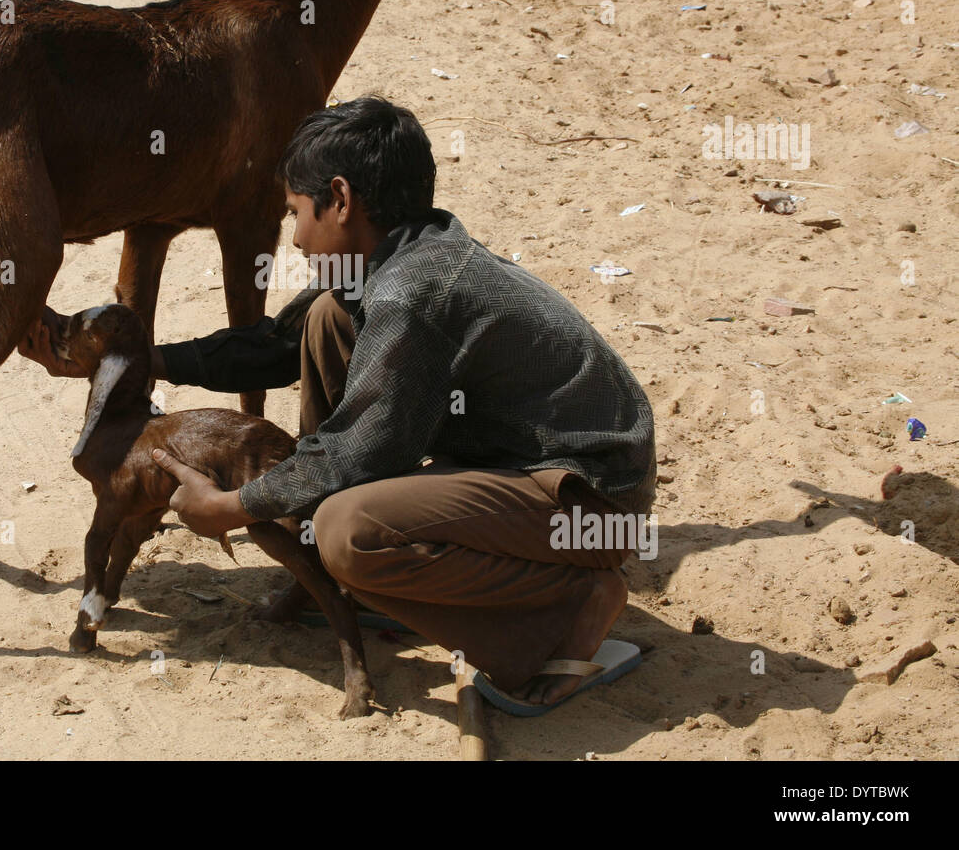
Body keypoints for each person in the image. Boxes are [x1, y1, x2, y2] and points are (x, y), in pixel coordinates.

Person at [39, 97, 657, 710]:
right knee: (327, 321)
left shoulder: (410, 294)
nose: (297, 238)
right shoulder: (395, 257)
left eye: (296, 214)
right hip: (526, 467)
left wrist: (233, 505)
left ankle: (574, 606)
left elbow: (355, 450)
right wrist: (149, 361)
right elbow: (278, 348)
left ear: (339, 199)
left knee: (348, 533)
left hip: (592, 499)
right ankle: (341, 581)